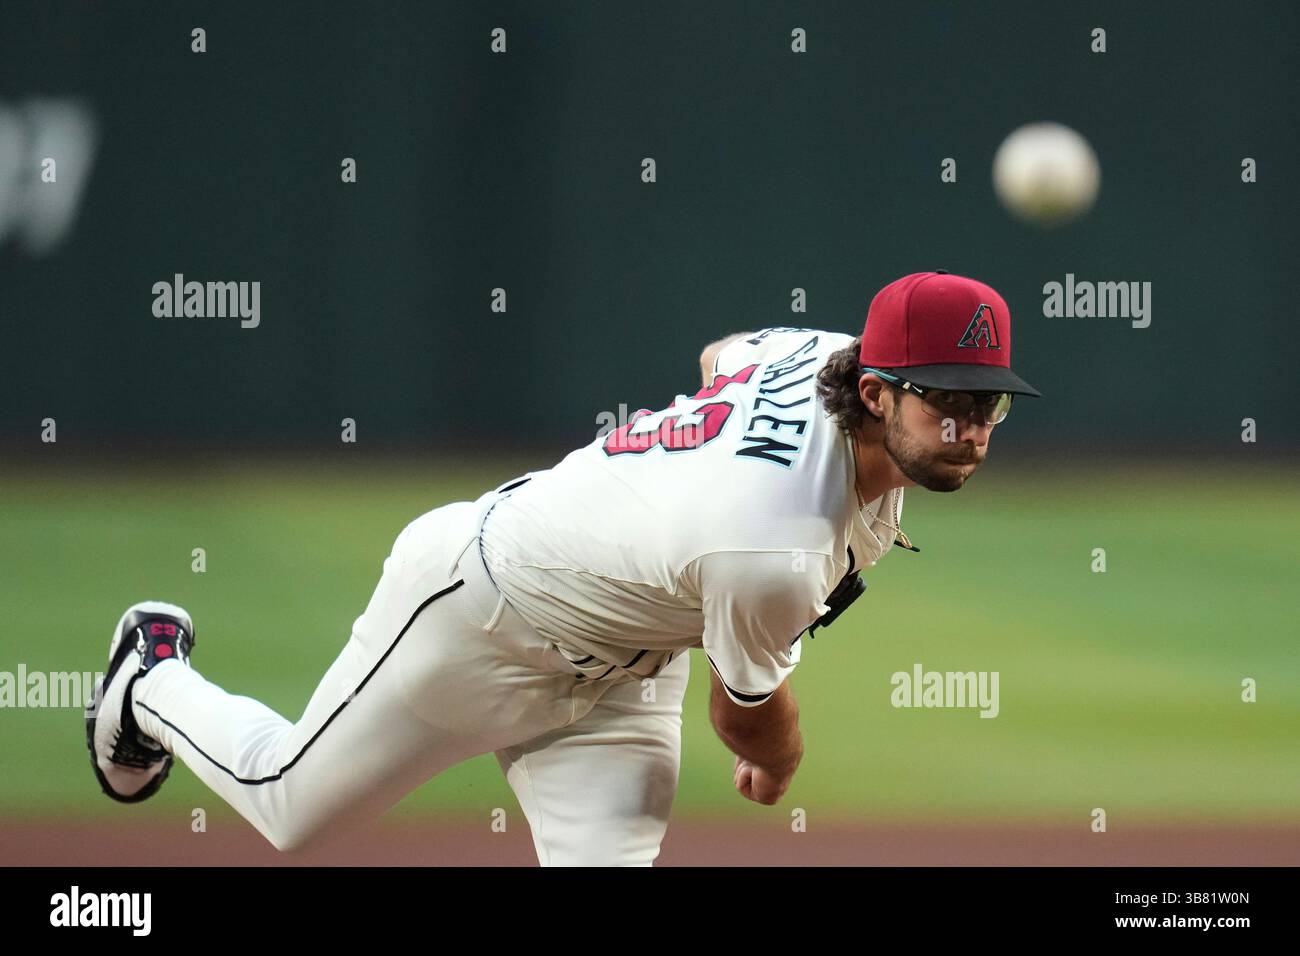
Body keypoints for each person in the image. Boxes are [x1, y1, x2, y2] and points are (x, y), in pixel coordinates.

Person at [86, 270, 1040, 866]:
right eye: (943, 401)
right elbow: (745, 716)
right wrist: (779, 763)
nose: (968, 429)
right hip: (480, 614)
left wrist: (703, 449)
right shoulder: (772, 543)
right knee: (287, 806)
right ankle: (151, 674)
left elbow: (723, 354)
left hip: (629, 670)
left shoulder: (815, 351)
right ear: (874, 392)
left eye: (988, 404)